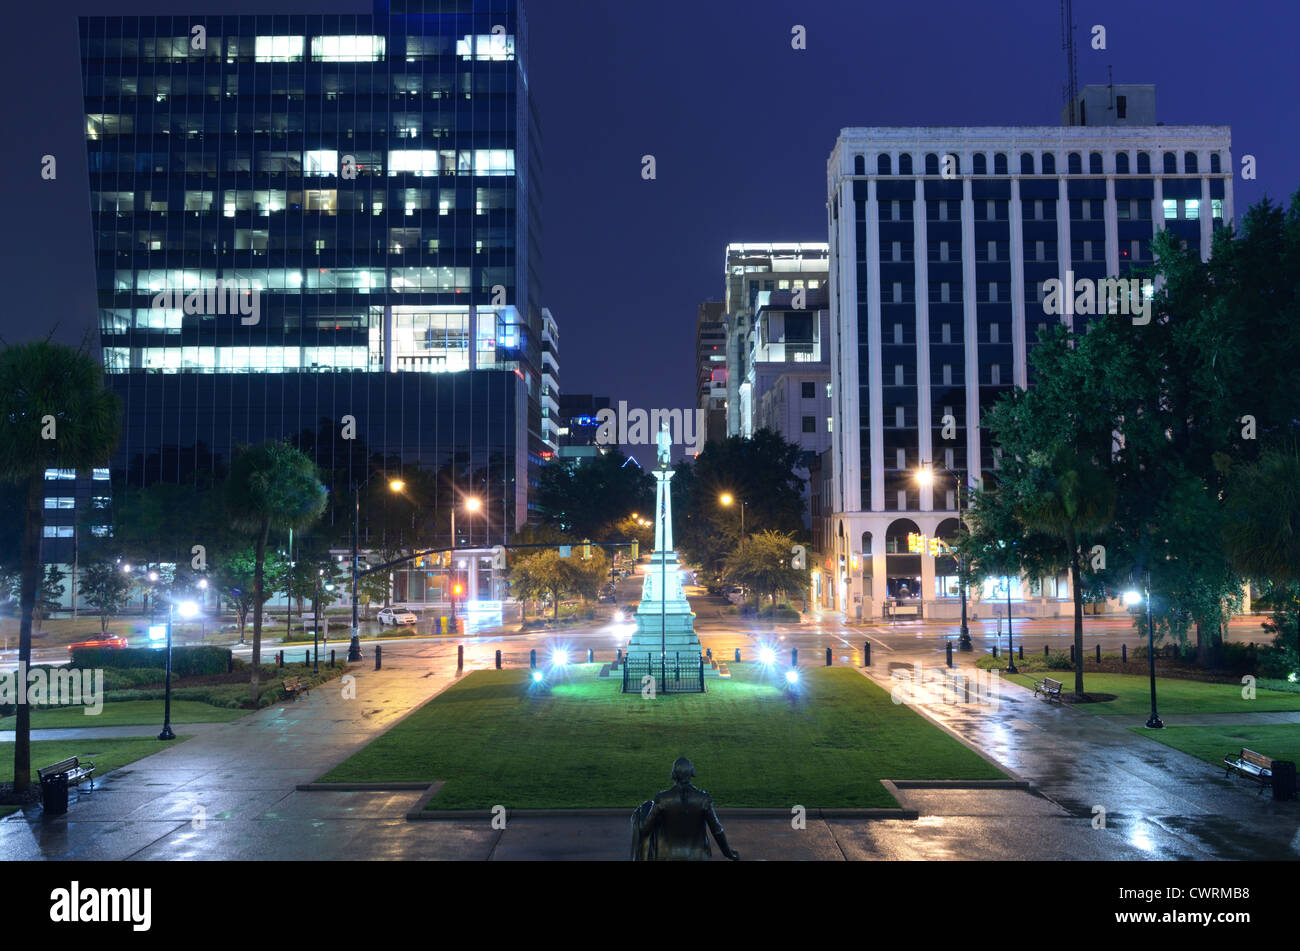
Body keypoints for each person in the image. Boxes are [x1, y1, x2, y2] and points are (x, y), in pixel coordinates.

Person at [630, 757, 740, 861]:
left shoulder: (662, 799)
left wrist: (642, 813)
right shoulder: (704, 800)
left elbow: (645, 829)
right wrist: (728, 853)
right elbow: (717, 830)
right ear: (692, 773)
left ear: (673, 774)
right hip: (698, 857)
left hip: (667, 856)